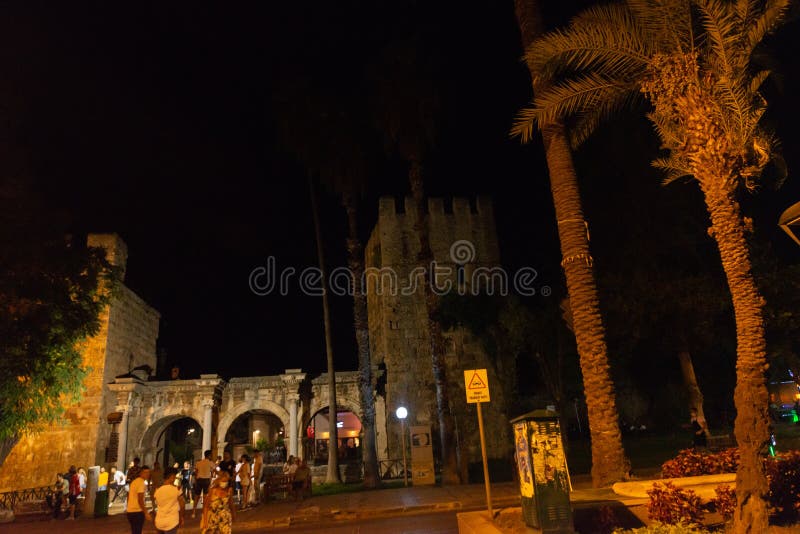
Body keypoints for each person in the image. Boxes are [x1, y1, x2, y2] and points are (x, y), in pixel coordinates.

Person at [153, 467, 184, 534]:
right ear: (171, 477)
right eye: (174, 477)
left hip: (159, 521)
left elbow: (157, 503)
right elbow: (182, 505)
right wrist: (181, 517)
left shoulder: (157, 489)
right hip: (172, 522)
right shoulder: (177, 489)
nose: (175, 479)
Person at [126, 465, 152, 534]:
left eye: (148, 473)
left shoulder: (134, 482)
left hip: (130, 511)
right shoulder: (141, 483)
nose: (147, 474)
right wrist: (146, 512)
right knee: (137, 531)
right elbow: (140, 499)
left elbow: (128, 495)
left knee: (134, 531)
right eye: (145, 472)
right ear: (140, 473)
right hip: (137, 512)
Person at [191, 450, 215, 519]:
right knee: (205, 497)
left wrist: (196, 480)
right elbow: (213, 472)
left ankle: (193, 512)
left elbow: (196, 472)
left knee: (196, 496)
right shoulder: (211, 463)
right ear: (209, 455)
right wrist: (211, 479)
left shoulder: (199, 463)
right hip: (206, 480)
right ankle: (203, 512)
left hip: (199, 480)